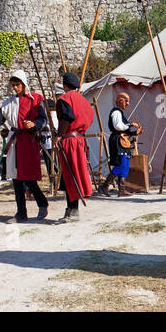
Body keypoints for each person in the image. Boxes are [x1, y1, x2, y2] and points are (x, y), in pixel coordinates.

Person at [0, 71, 49, 222]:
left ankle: (42, 203)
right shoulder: (8, 103)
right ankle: (21, 213)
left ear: (24, 83)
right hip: (15, 142)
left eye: (18, 84)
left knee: (29, 179)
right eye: (13, 85)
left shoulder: (36, 99)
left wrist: (35, 124)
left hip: (29, 141)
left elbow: (44, 119)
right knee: (16, 179)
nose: (15, 88)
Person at [53, 72, 95, 222]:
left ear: (64, 85)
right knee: (69, 175)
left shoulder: (65, 99)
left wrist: (59, 134)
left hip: (70, 140)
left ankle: (74, 211)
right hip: (79, 139)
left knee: (71, 175)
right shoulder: (83, 100)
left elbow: (67, 117)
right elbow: (90, 115)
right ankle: (70, 209)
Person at [98, 91, 142, 197]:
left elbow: (124, 129)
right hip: (118, 141)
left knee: (126, 164)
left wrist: (134, 132)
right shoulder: (116, 112)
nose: (128, 104)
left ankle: (121, 189)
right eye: (126, 101)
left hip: (122, 140)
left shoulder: (121, 113)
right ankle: (104, 186)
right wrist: (131, 124)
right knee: (121, 164)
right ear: (121, 100)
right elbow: (118, 126)